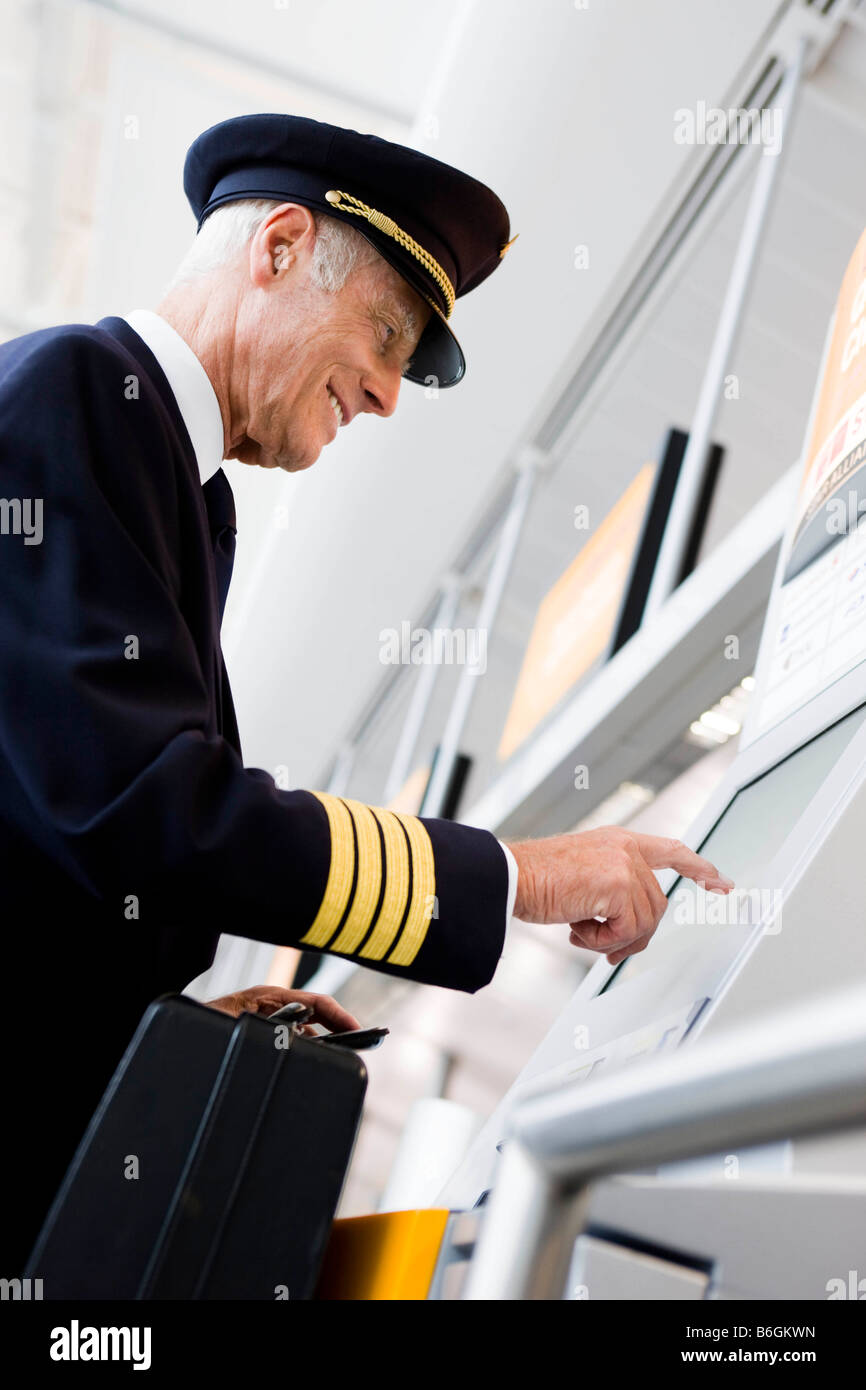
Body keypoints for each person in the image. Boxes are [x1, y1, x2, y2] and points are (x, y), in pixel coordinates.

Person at [0, 114, 733, 1271]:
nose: (390, 394)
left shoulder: (185, 491)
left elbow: (70, 837)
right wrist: (520, 874)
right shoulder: (78, 394)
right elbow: (143, 812)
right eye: (387, 336)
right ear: (280, 247)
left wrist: (167, 1021)